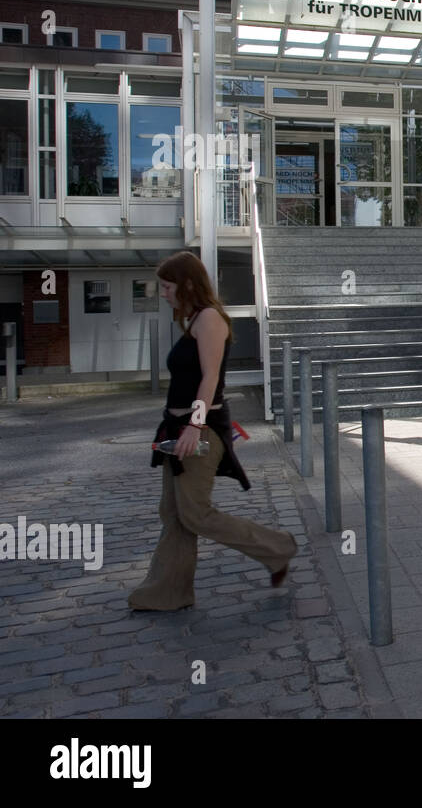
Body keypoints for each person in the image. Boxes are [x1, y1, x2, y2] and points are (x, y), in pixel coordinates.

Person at [128, 251, 297, 611]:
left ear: (188, 283)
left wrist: (194, 425)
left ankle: (278, 547)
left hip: (199, 432)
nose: (163, 293)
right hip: (179, 429)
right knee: (174, 513)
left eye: (167, 286)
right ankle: (168, 592)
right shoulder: (193, 320)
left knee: (195, 514)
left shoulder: (209, 320)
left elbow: (211, 379)